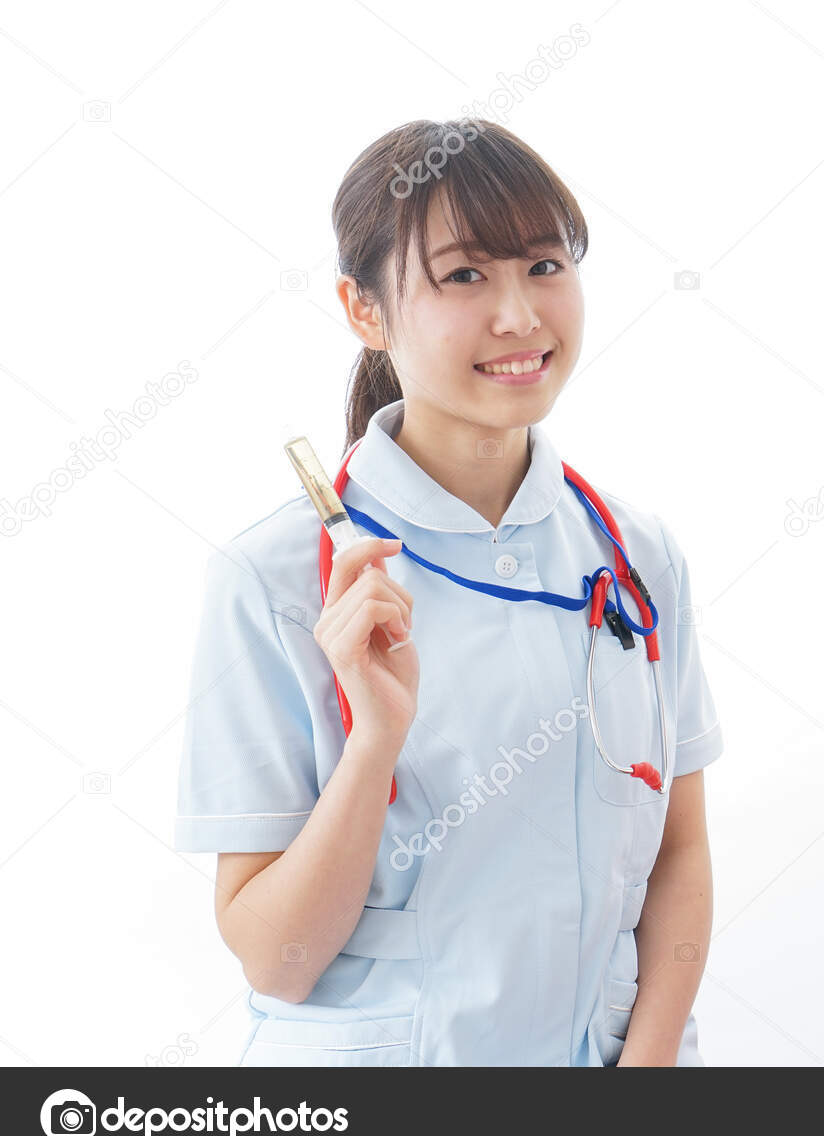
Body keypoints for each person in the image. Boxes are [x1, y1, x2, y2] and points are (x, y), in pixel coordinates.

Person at [174, 119, 723, 1066]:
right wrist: (374, 743)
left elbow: (679, 852)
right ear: (365, 309)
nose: (518, 315)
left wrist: (653, 1061)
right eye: (465, 276)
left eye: (545, 265)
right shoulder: (273, 577)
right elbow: (275, 956)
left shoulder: (637, 555)